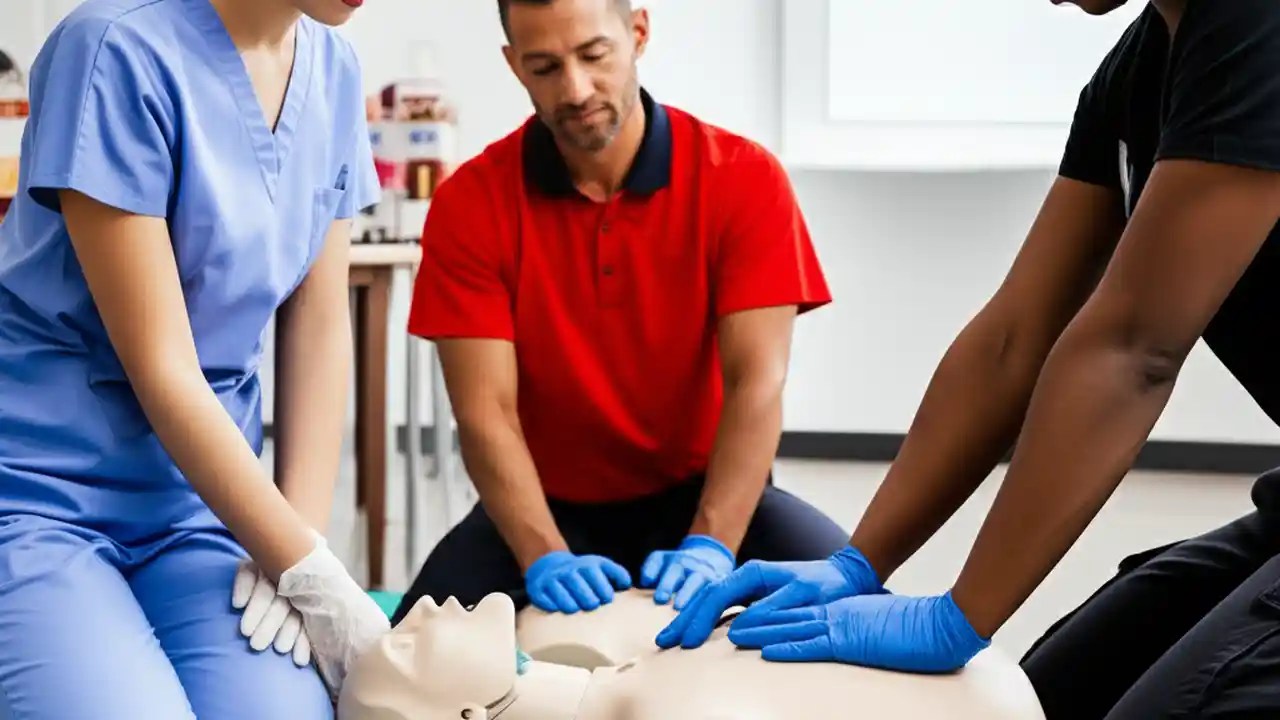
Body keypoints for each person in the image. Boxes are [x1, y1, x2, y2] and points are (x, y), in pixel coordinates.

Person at [658, 0, 1280, 717]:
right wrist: (858, 564)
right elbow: (1013, 339)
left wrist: (960, 617)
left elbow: (1133, 350)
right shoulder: (1139, 75)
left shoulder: (1254, 23)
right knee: (1047, 695)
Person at [396, 0, 848, 624]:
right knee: (400, 664)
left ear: (638, 33)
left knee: (857, 610)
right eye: (545, 66)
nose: (575, 89)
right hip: (546, 506)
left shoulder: (743, 179)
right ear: (514, 67)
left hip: (703, 497)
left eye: (593, 55)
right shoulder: (469, 204)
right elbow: (485, 413)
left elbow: (756, 384)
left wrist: (714, 542)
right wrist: (543, 554)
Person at [0, 0, 390, 717]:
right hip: (33, 492)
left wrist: (293, 552)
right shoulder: (115, 48)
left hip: (200, 504)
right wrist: (312, 573)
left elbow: (319, 321)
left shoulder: (333, 70)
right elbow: (162, 366)